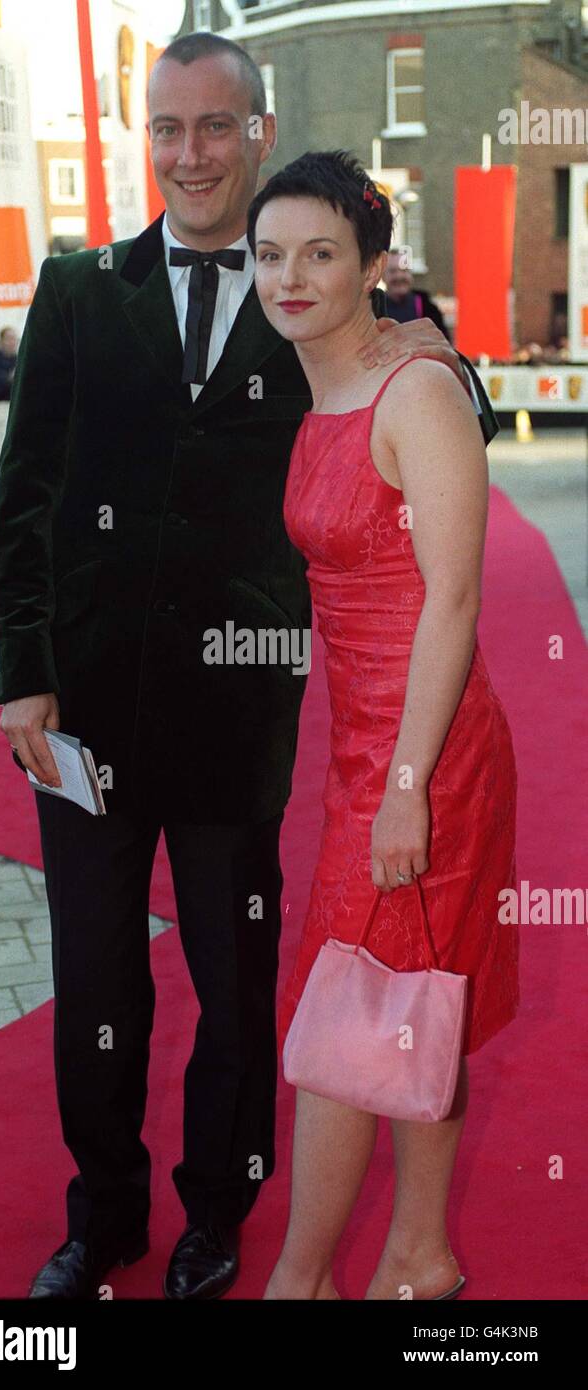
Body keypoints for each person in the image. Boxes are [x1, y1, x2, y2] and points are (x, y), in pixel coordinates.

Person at [0, 33, 498, 1302]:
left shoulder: (308, 291)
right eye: (168, 127)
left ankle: (222, 1215)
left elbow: (420, 416)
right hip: (87, 718)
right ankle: (101, 1217)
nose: (191, 151)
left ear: (259, 134)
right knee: (93, 985)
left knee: (241, 988)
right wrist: (22, 670)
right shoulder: (77, 288)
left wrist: (415, 331)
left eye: (217, 126)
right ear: (142, 135)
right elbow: (26, 494)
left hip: (242, 719)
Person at [248, 149, 518, 1300]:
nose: (291, 278)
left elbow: (454, 600)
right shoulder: (324, 382)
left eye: (320, 254)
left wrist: (407, 782)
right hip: (362, 745)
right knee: (414, 993)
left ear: (372, 264)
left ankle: (298, 1282)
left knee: (346, 1018)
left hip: (428, 749)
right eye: (270, 256)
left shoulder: (416, 391)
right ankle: (420, 1252)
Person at [384, 250, 451, 341]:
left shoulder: (429, 309)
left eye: (404, 270)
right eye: (393, 271)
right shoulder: (373, 311)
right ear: (382, 276)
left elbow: (445, 347)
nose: (399, 276)